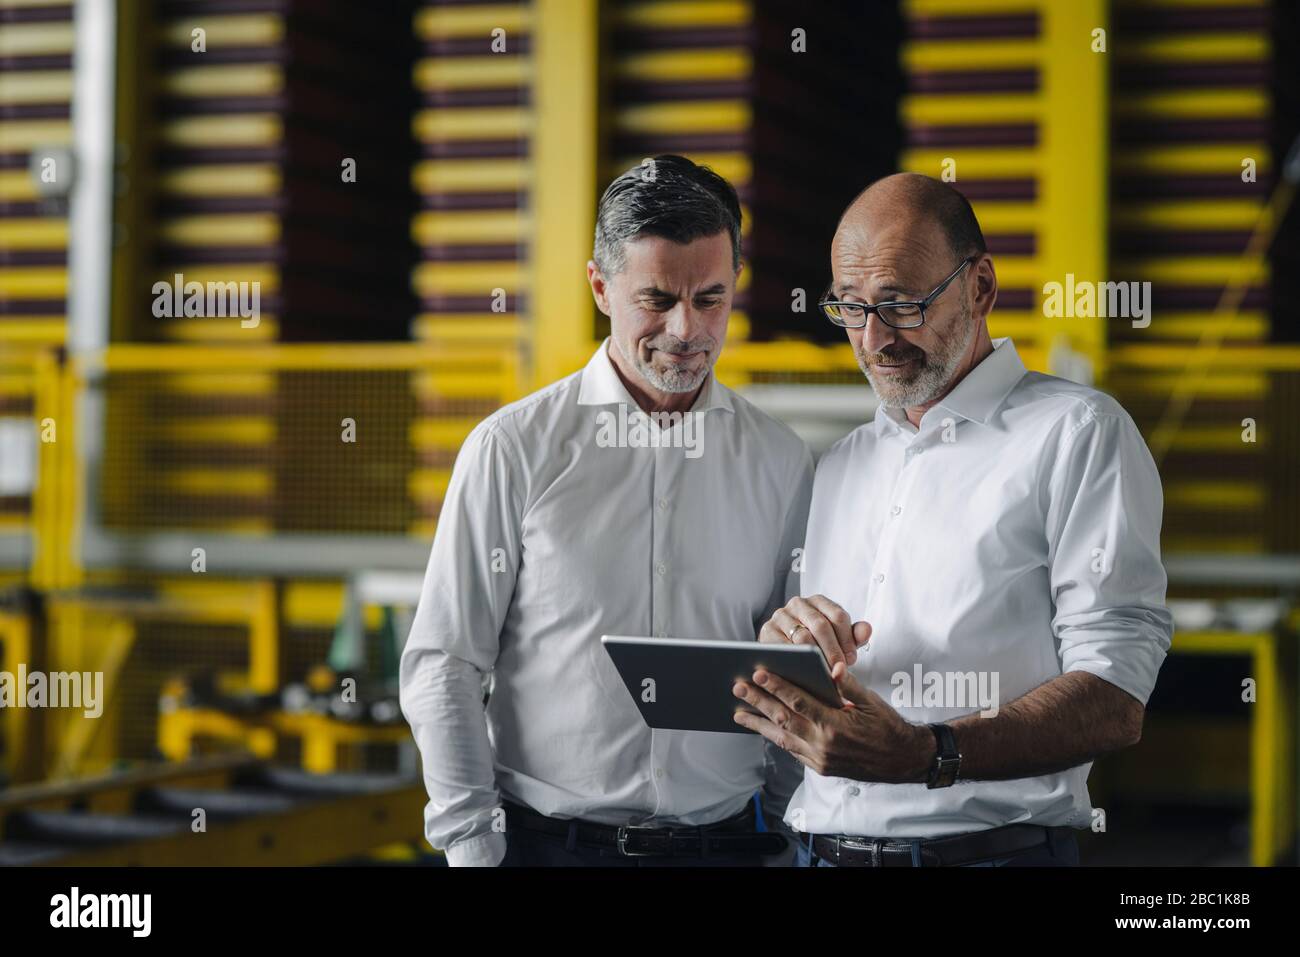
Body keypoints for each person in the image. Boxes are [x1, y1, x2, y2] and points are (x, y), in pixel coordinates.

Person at [733, 172, 1173, 867]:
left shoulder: (1077, 433)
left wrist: (928, 754)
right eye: (851, 307)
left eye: (900, 304)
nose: (874, 337)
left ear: (980, 287)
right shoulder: (842, 465)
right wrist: (786, 646)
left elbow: (1116, 697)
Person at [400, 155, 810, 866]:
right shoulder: (513, 449)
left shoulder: (780, 462)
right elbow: (446, 664)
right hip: (548, 848)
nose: (686, 328)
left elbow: (790, 672)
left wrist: (785, 831)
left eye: (711, 298)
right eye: (657, 298)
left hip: (727, 847)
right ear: (600, 287)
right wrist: (473, 848)